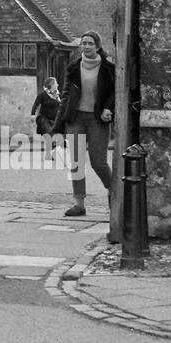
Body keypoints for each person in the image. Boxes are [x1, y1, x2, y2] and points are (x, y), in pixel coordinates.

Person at [53, 31, 115, 216]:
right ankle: (79, 204)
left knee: (99, 162)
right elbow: (65, 96)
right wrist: (57, 124)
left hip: (97, 120)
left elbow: (114, 93)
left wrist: (108, 108)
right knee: (77, 162)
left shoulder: (108, 68)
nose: (86, 46)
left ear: (97, 46)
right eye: (84, 43)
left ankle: (116, 195)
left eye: (90, 43)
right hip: (76, 119)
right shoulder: (73, 68)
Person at [30, 76, 65, 170]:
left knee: (51, 135)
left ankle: (49, 155)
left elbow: (62, 106)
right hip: (43, 118)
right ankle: (53, 150)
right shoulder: (43, 95)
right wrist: (33, 115)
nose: (57, 84)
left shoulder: (58, 95)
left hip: (55, 119)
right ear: (51, 85)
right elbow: (35, 104)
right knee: (49, 131)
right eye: (56, 83)